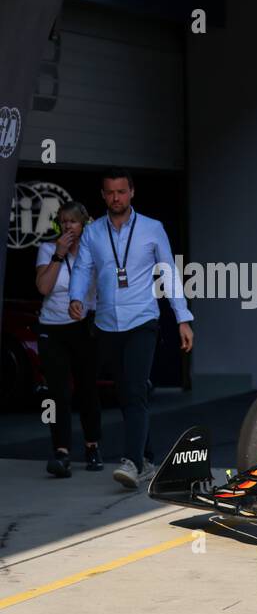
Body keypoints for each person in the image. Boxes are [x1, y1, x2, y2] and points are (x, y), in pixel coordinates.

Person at [68, 168, 194, 490]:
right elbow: (82, 269)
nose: (116, 198)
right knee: (128, 393)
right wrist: (76, 297)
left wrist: (182, 318)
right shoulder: (94, 232)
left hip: (143, 320)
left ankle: (132, 462)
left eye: (121, 192)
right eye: (110, 192)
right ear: (102, 195)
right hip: (108, 324)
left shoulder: (152, 228)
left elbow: (168, 273)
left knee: (135, 389)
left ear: (132, 193)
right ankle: (149, 458)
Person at [34, 201, 102, 478]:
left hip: (84, 326)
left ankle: (92, 446)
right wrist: (59, 254)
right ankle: (61, 452)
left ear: (83, 224)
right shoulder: (49, 249)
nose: (67, 227)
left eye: (73, 221)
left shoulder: (93, 251)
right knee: (58, 393)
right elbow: (43, 287)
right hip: (53, 327)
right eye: (63, 222)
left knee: (87, 389)